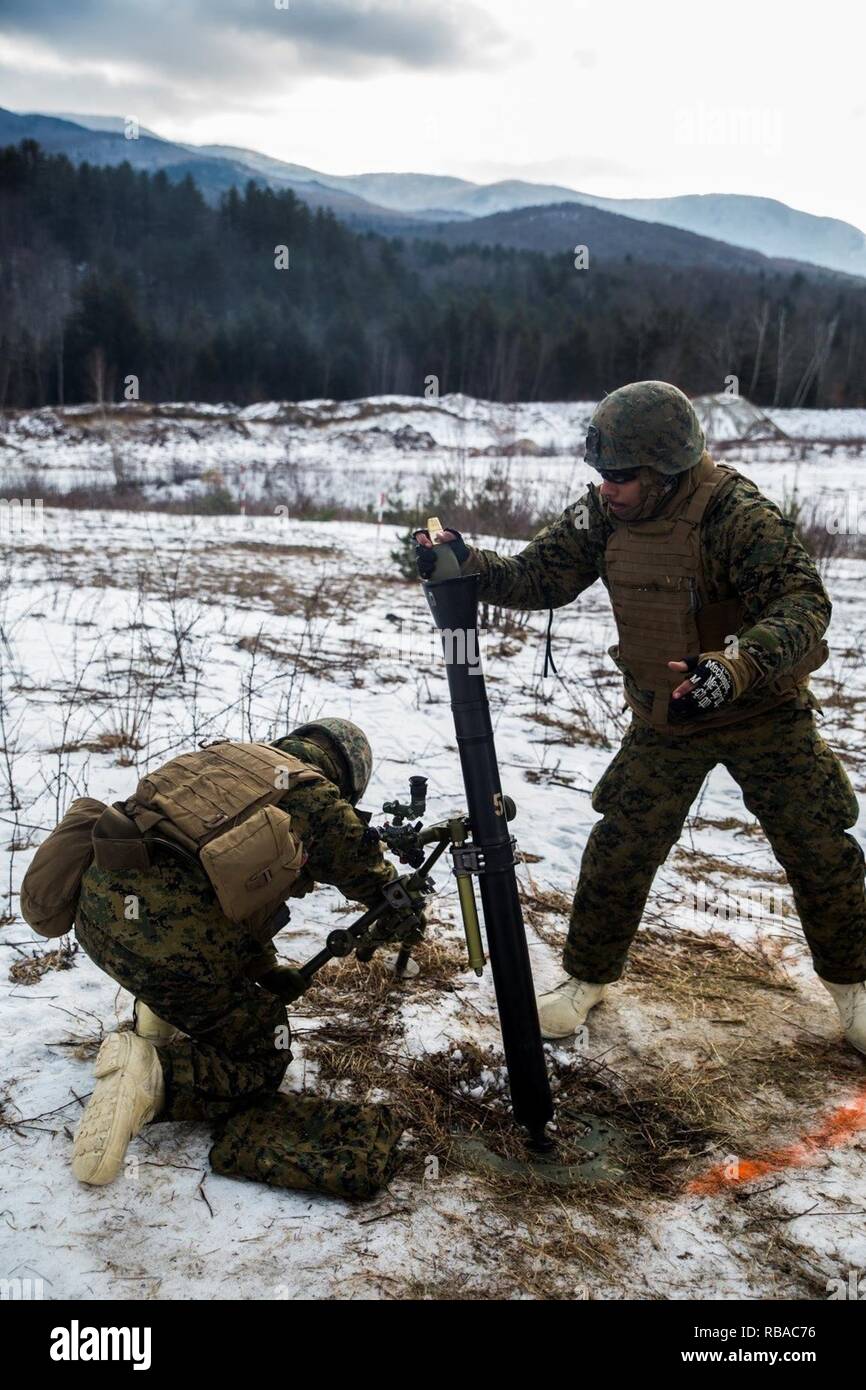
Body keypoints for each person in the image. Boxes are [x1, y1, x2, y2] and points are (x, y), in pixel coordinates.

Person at [416, 380, 866, 1054]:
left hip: (762, 712)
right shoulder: (607, 514)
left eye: (622, 477)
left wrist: (737, 665)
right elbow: (542, 576)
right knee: (622, 844)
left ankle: (854, 987)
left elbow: (804, 603)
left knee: (818, 847)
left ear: (667, 470)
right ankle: (585, 979)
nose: (607, 489)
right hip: (668, 716)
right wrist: (468, 565)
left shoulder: (737, 514)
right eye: (601, 475)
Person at [69, 719, 417, 1185]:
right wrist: (404, 911)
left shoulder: (221, 760)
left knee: (176, 928)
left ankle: (158, 1012)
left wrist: (263, 967)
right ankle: (150, 1075)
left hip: (94, 924)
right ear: (349, 780)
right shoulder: (318, 799)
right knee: (262, 1054)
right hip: (170, 958)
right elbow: (378, 885)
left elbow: (202, 877)